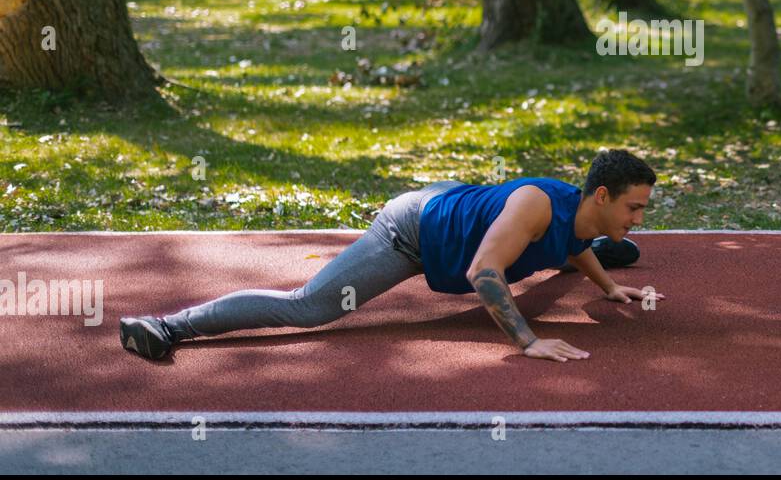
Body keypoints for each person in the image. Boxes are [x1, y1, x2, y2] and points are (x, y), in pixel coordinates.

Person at [119, 149, 663, 363]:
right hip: (412, 231)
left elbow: (574, 241)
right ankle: (168, 326)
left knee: (561, 250)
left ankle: (598, 264)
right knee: (308, 307)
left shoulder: (579, 220)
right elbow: (483, 272)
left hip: (457, 202)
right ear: (600, 196)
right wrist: (528, 341)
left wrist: (607, 287)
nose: (639, 219)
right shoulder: (538, 206)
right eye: (633, 209)